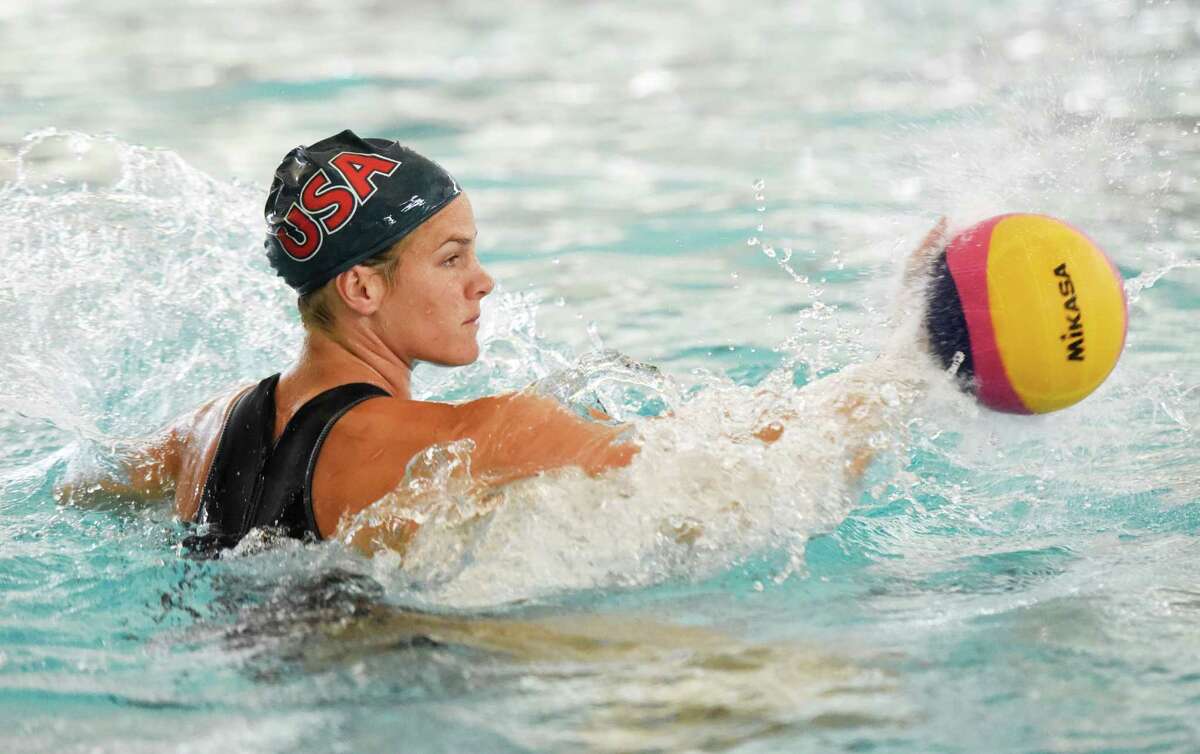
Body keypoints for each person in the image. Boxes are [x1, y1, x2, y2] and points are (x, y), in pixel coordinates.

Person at [58, 129, 946, 555]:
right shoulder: (484, 435)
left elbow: (81, 492)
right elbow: (754, 481)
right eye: (451, 258)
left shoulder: (203, 433)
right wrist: (913, 354)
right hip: (416, 689)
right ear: (361, 287)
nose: (482, 282)